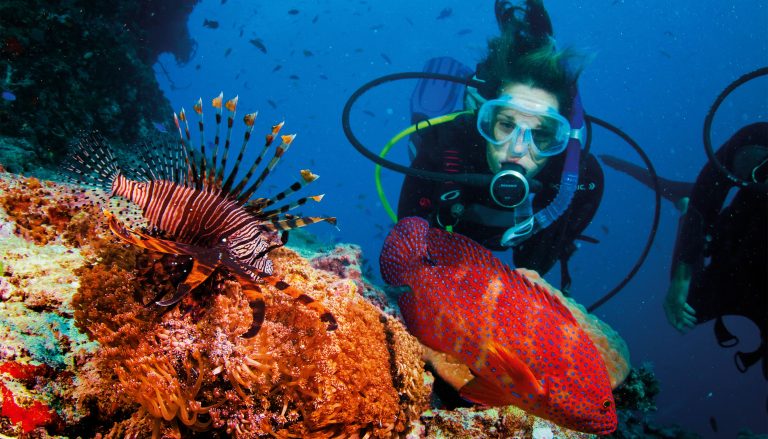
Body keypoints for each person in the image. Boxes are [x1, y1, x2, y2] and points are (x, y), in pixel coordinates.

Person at [398, 0, 603, 290]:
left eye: (541, 135)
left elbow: (531, 270)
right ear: (486, 120)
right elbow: (408, 251)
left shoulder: (581, 181)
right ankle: (426, 112)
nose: (518, 148)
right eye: (506, 125)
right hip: (450, 215)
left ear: (561, 138)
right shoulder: (442, 150)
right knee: (422, 137)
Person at [603, 122, 768, 378]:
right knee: (687, 305)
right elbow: (707, 194)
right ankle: (685, 207)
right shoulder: (758, 141)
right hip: (741, 248)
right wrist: (682, 274)